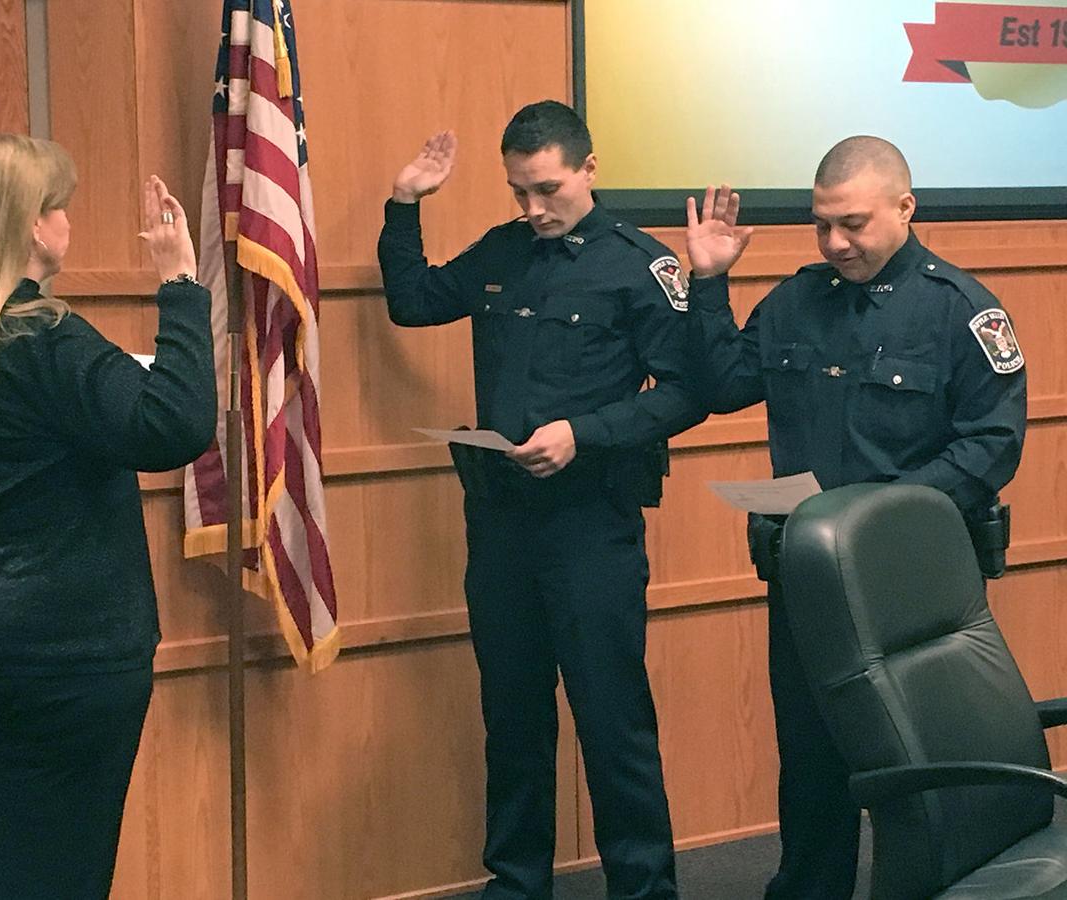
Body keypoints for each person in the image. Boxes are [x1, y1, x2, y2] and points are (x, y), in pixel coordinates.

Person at [378, 100, 705, 899]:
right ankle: (517, 882)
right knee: (514, 718)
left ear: (589, 170)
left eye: (548, 189)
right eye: (519, 191)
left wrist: (584, 432)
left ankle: (643, 887)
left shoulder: (642, 265)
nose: (533, 208)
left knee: (611, 718)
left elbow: (688, 392)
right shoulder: (504, 250)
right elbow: (414, 300)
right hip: (502, 524)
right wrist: (404, 201)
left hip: (591, 524)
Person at [684, 136, 1027, 898]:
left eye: (855, 224)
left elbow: (990, 448)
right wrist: (710, 283)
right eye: (822, 225)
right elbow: (724, 384)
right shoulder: (797, 299)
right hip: (807, 577)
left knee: (918, 763)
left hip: (914, 585)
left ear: (906, 207)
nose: (836, 242)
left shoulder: (962, 312)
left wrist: (870, 520)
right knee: (810, 760)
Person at [0, 133, 216, 899]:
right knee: (53, 876)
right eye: (61, 206)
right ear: (34, 225)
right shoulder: (46, 336)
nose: (68, 221)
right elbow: (175, 426)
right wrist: (181, 282)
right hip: (57, 649)